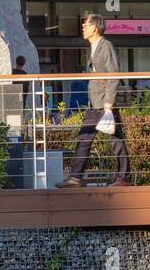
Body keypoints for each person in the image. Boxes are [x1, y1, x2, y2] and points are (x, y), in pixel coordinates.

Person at [56, 13, 131, 187]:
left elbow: (114, 74)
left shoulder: (106, 46)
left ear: (95, 28)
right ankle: (77, 177)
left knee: (112, 140)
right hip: (95, 103)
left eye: (86, 25)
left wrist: (109, 102)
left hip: (104, 103)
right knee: (87, 138)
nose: (83, 27)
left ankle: (122, 177)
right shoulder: (94, 46)